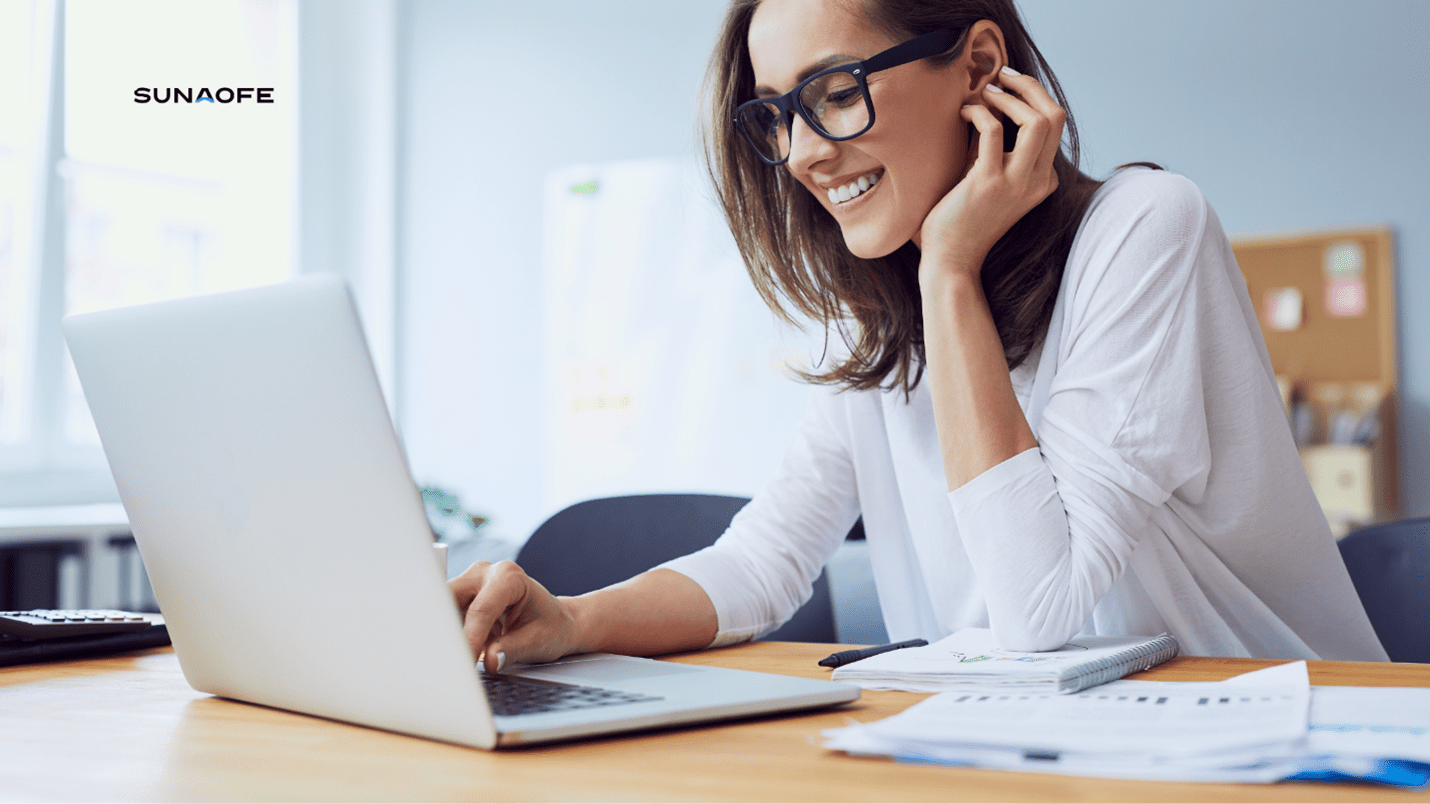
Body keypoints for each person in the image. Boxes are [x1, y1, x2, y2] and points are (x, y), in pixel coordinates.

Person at [449, 0, 1389, 671]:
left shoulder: (1148, 226)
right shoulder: (886, 319)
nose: (804, 151)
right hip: (1032, 757)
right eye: (776, 114)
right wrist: (571, 620)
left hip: (1287, 757)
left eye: (835, 89)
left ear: (980, 66)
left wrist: (950, 269)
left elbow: (1040, 610)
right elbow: (762, 561)